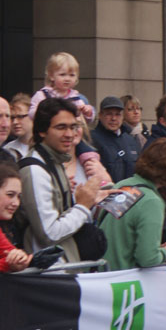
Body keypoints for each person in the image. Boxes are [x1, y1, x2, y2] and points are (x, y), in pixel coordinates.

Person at [19, 97, 106, 262]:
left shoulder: (54, 160)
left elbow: (61, 214)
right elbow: (48, 233)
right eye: (61, 127)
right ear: (42, 131)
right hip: (49, 273)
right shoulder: (34, 170)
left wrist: (90, 199)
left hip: (63, 267)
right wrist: (82, 206)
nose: (69, 135)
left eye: (73, 127)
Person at [98, 138, 166, 270]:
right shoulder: (151, 202)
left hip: (101, 273)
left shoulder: (123, 184)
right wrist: (164, 253)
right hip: (122, 281)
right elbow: (147, 258)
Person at [29, 51, 95, 122]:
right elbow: (31, 114)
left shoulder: (75, 97)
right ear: (51, 76)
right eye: (62, 74)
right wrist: (45, 111)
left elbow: (86, 120)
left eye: (72, 75)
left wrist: (87, 112)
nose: (67, 79)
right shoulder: (43, 95)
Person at [91, 96, 141, 183]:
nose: (113, 118)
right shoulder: (92, 139)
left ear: (122, 117)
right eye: (109, 114)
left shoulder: (130, 140)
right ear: (100, 115)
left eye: (117, 114)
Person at [3, 93, 34, 160]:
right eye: (12, 118)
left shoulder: (46, 146)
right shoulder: (7, 150)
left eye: (20, 117)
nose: (15, 122)